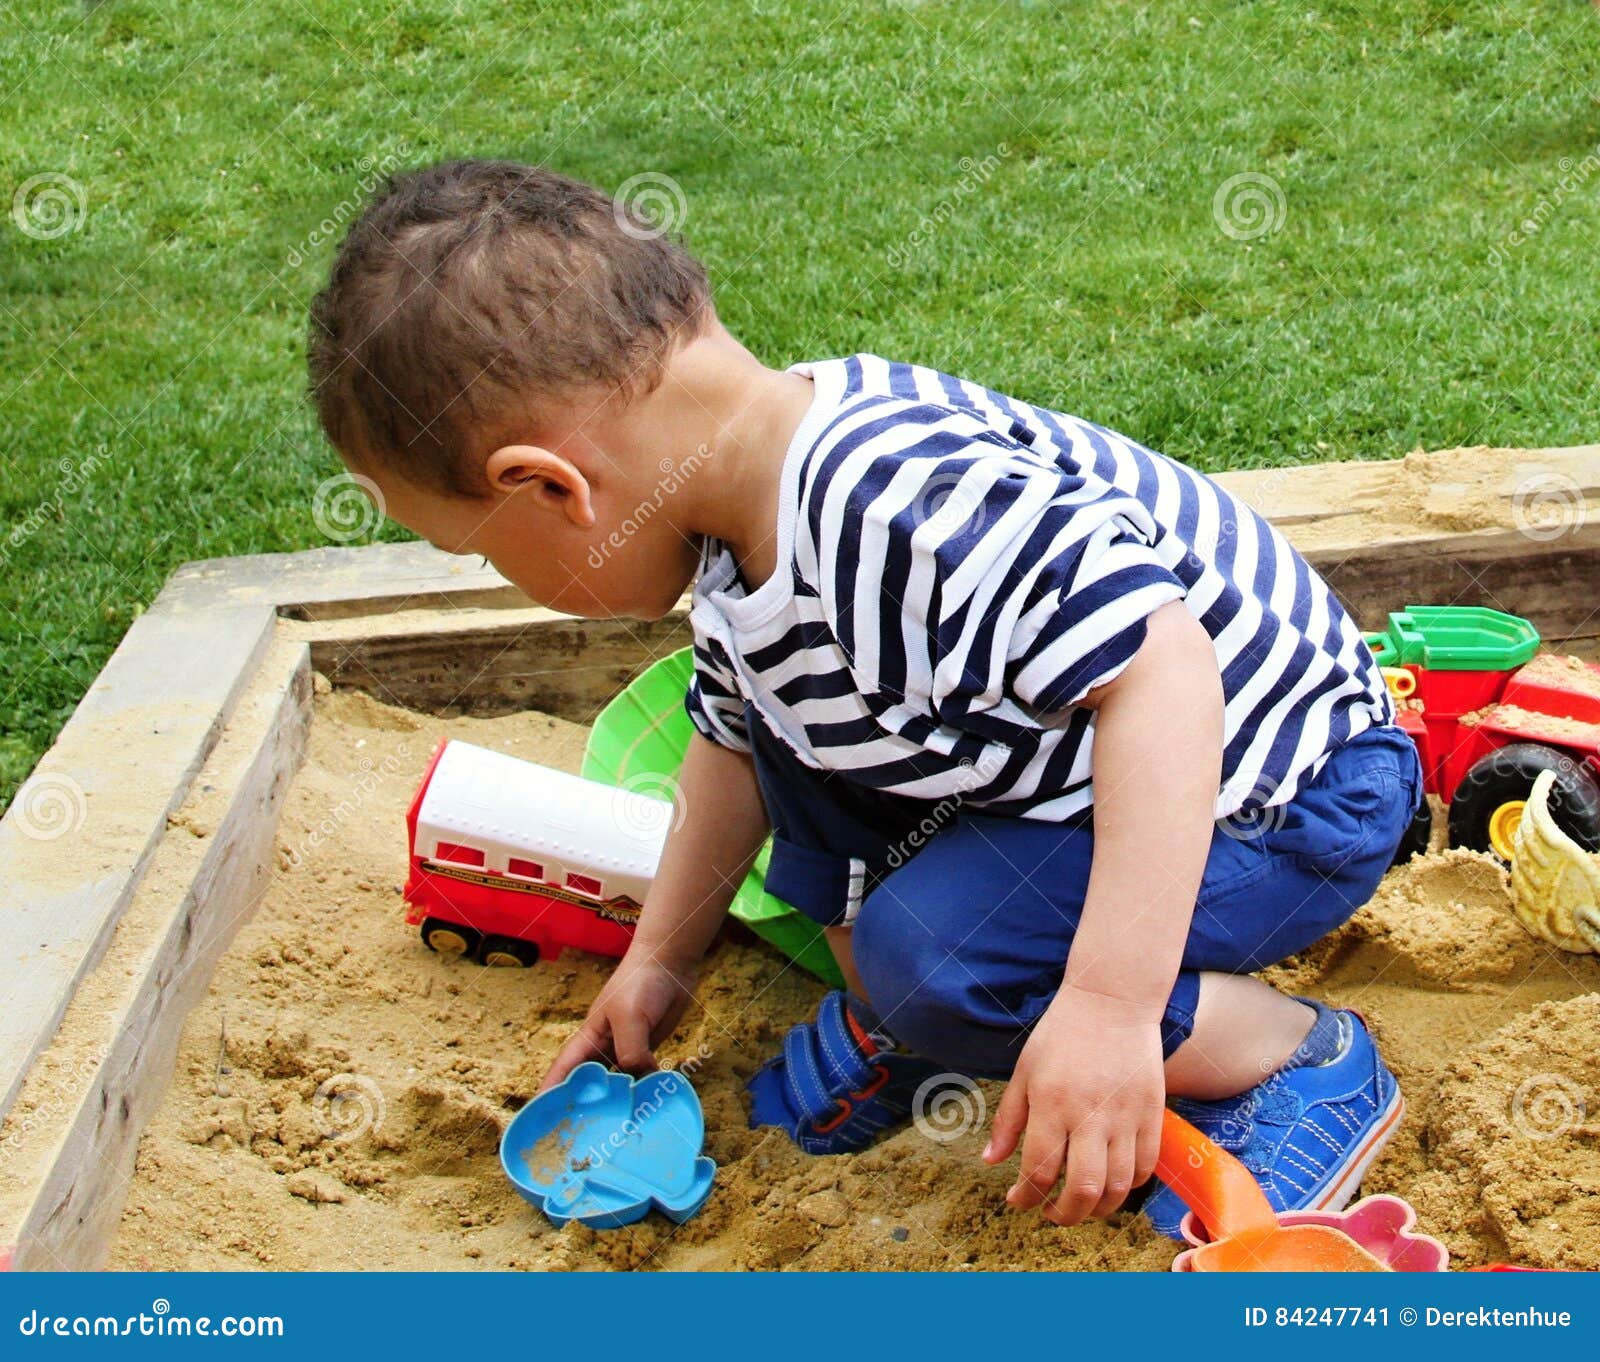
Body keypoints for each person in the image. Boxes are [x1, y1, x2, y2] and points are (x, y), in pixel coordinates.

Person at [306, 159, 1423, 1234]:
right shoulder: (730, 515)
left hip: (1281, 796)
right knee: (797, 748)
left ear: (551, 487)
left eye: (489, 556)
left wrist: (1107, 1007)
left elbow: (1163, 677)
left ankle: (1294, 1056)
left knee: (940, 960)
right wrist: (661, 958)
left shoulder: (892, 502)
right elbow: (734, 742)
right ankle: (915, 1022)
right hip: (1061, 777)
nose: (517, 589)